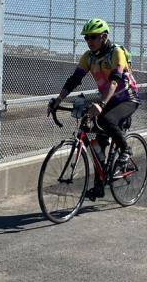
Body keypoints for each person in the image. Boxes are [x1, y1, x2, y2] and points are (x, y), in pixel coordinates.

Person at [47, 18, 141, 200]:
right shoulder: (88, 57)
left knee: (106, 120)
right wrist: (58, 100)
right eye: (86, 38)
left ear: (104, 37)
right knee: (95, 139)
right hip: (107, 99)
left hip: (127, 97)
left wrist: (102, 104)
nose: (89, 41)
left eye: (93, 37)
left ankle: (125, 150)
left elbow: (115, 80)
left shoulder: (117, 52)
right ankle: (100, 185)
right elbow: (74, 80)